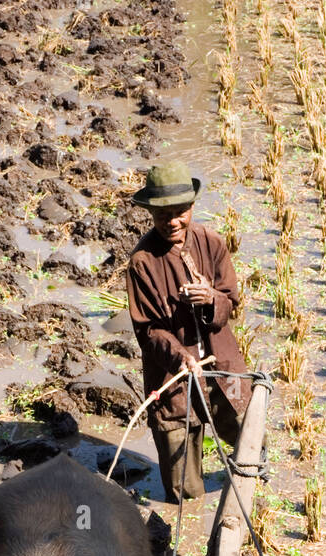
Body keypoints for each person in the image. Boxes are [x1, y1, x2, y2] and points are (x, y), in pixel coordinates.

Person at [126, 160, 252, 503]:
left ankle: (248, 501)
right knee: (186, 490)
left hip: (220, 366)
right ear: (150, 214)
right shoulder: (142, 263)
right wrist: (180, 356)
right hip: (173, 379)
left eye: (180, 212)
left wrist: (210, 298)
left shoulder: (211, 244)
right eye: (162, 215)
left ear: (192, 207)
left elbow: (230, 301)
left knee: (251, 445)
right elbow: (147, 329)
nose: (172, 222)